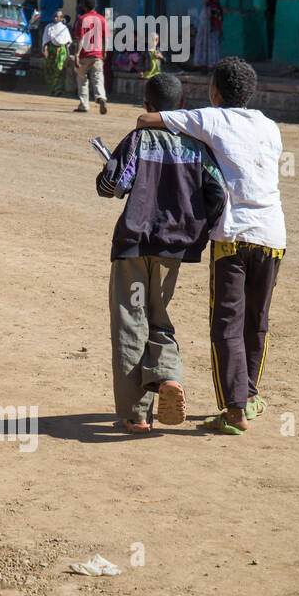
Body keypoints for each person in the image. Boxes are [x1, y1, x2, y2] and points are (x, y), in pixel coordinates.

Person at [136, 58, 285, 436]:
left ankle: (235, 411)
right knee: (257, 321)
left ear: (215, 91)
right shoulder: (269, 126)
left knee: (227, 324)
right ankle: (248, 396)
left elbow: (151, 121)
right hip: (272, 235)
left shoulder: (211, 119)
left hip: (232, 237)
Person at [96, 72, 226, 434]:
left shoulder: (138, 139)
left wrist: (108, 166)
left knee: (129, 321)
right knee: (159, 315)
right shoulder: (197, 146)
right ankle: (169, 376)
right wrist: (197, 230)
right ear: (182, 107)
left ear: (147, 107)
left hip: (133, 246)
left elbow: (111, 185)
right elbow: (218, 195)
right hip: (173, 250)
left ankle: (137, 414)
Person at [73, 0, 108, 114]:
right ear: (95, 6)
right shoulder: (102, 19)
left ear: (84, 6)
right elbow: (105, 39)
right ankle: (100, 97)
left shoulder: (82, 19)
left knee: (82, 79)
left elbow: (81, 39)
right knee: (98, 77)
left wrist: (77, 55)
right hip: (97, 54)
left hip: (84, 55)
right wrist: (104, 51)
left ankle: (84, 105)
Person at [42, 10, 73, 97]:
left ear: (61, 18)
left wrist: (67, 53)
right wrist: (45, 50)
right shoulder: (48, 27)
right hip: (51, 50)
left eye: (57, 16)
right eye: (54, 16)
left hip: (61, 50)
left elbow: (68, 42)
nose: (55, 18)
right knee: (49, 69)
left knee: (59, 69)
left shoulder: (64, 28)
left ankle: (58, 89)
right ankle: (52, 89)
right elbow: (45, 40)